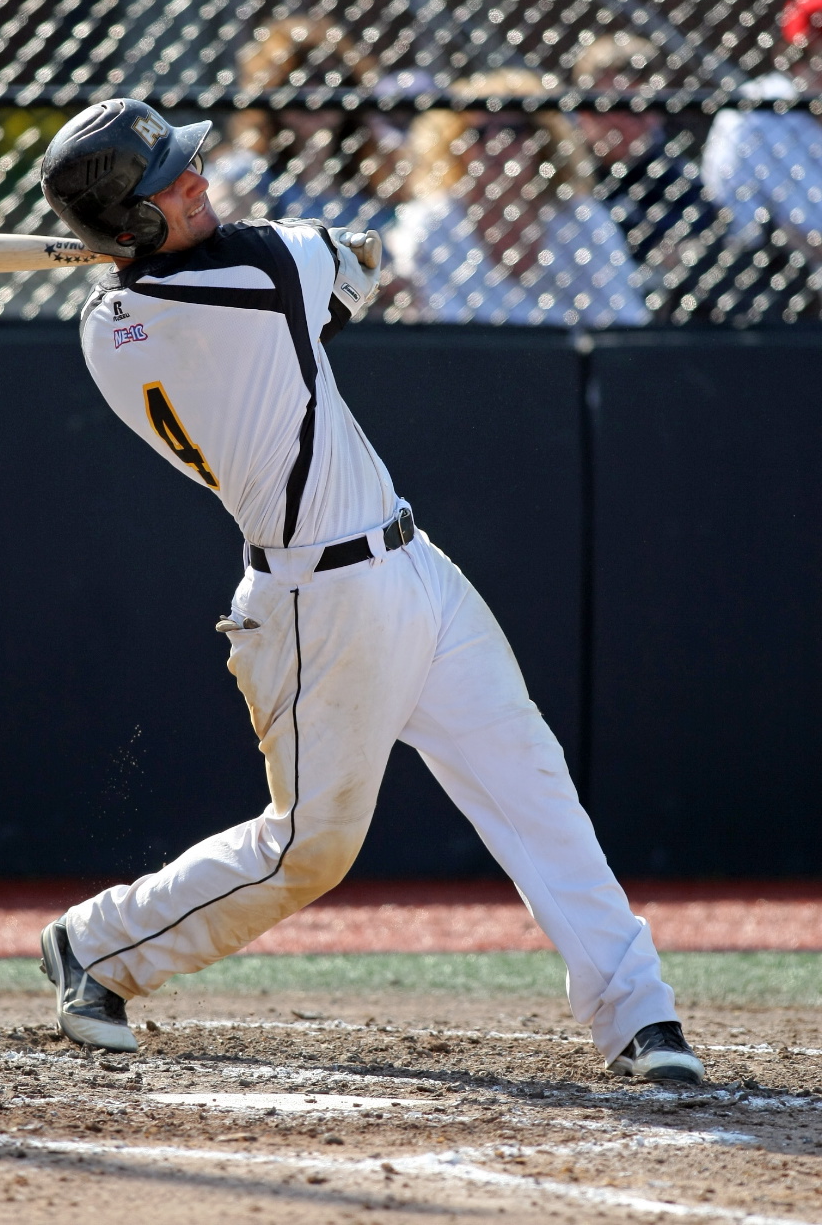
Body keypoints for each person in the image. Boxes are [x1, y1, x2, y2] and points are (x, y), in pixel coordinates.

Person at [35, 95, 705, 1086]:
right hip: (321, 609)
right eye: (169, 183)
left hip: (411, 564)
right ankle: (97, 946)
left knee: (533, 783)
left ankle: (638, 1016)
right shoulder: (253, 274)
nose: (196, 180)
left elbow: (310, 288)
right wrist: (340, 255)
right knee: (308, 849)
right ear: (129, 224)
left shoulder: (112, 327)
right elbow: (347, 267)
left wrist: (224, 252)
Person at [384, 69, 649, 326]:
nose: (494, 145)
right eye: (478, 134)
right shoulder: (431, 224)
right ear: (456, 146)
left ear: (542, 142)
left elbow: (626, 322)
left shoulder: (581, 221)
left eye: (511, 132)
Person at [204, 15, 417, 233]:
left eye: (326, 77)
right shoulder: (247, 174)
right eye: (297, 79)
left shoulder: (369, 191)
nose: (313, 91)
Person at [572, 34, 717, 315]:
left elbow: (701, 235)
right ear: (583, 113)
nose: (627, 122)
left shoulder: (677, 178)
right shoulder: (559, 173)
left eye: (640, 108)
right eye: (614, 108)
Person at [702, 0, 822, 265]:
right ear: (791, 57)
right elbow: (741, 227)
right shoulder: (752, 113)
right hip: (774, 274)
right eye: (811, 56)